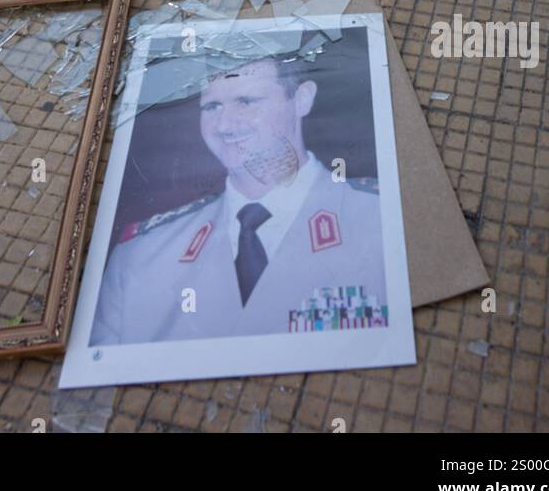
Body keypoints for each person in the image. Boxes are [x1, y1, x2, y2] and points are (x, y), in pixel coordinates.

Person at [90, 53, 388, 344]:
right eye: (212, 107)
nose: (224, 125)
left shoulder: (383, 220)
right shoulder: (142, 254)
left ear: (301, 100)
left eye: (246, 102)